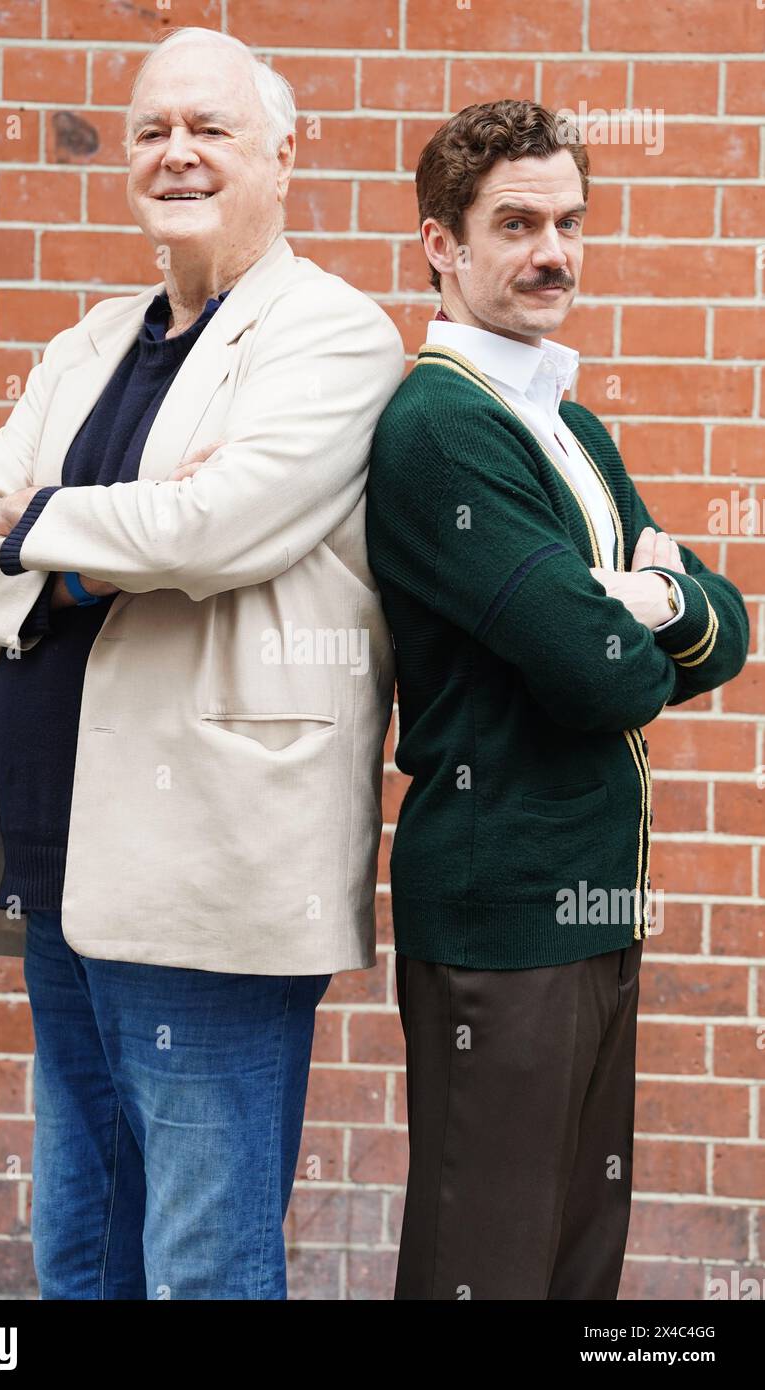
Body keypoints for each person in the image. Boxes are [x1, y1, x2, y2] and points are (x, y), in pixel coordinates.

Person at [0, 26, 404, 1300]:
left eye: (209, 129)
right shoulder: (90, 342)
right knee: (78, 1250)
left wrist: (37, 532)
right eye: (151, 130)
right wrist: (78, 543)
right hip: (61, 875)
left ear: (283, 154)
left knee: (200, 1265)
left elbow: (213, 529)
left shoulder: (332, 334)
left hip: (205, 884)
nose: (176, 153)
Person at [365, 99, 749, 1300]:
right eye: (516, 222)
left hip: (592, 902)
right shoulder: (439, 431)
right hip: (500, 908)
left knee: (577, 1265)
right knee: (485, 1265)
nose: (552, 252)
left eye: (569, 221)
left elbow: (723, 628)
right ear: (441, 244)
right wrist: (636, 610)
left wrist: (642, 601)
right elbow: (597, 675)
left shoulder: (565, 420)